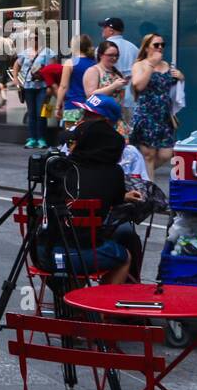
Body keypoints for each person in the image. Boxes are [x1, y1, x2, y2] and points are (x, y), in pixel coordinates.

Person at [38, 93, 141, 286]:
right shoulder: (113, 171)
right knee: (124, 249)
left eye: (88, 116)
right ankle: (102, 312)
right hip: (77, 251)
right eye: (84, 114)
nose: (82, 120)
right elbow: (113, 201)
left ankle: (75, 299)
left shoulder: (59, 166)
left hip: (42, 252)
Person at [130, 32, 183, 175]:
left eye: (162, 45)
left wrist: (181, 77)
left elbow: (173, 88)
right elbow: (138, 85)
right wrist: (151, 65)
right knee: (149, 156)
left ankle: (140, 174)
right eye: (156, 45)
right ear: (147, 48)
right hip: (146, 115)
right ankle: (149, 192)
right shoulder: (140, 65)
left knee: (166, 154)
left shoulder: (167, 65)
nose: (160, 47)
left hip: (164, 117)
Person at [12, 29, 54, 148]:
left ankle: (41, 138)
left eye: (35, 38)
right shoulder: (25, 53)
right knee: (31, 113)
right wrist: (16, 79)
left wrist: (50, 86)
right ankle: (32, 138)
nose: (32, 40)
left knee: (42, 113)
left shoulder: (48, 52)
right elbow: (16, 65)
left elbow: (52, 69)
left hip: (43, 87)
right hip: (28, 86)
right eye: (30, 38)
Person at [98, 16, 140, 125]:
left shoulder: (101, 49)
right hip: (130, 99)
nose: (102, 30)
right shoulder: (134, 48)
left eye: (104, 27)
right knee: (129, 133)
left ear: (111, 31)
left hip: (109, 100)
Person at [55, 35, 96, 131]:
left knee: (71, 135)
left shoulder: (70, 63)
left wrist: (57, 106)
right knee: (88, 133)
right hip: (91, 105)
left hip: (72, 104)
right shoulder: (95, 63)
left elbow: (63, 86)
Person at [83, 39, 127, 103]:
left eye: (116, 55)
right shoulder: (93, 71)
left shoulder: (117, 72)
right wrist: (114, 86)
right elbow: (90, 96)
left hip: (115, 111)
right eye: (110, 55)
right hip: (99, 111)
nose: (114, 58)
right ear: (101, 55)